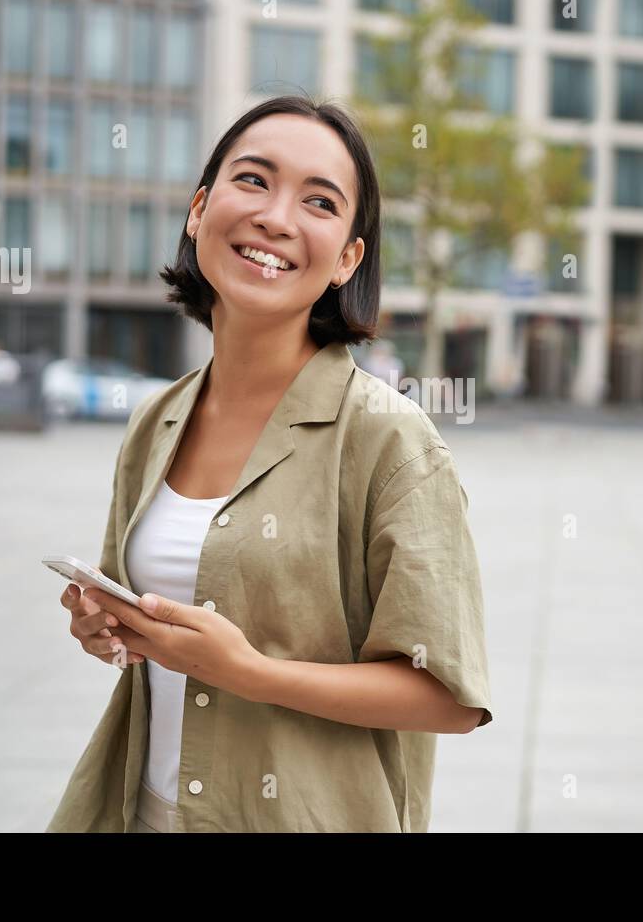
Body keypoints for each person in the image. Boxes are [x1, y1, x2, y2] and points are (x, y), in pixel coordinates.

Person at [47, 95, 494, 833]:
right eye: (253, 180)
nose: (276, 218)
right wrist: (104, 625)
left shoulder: (390, 440)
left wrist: (250, 674)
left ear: (348, 257)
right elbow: (138, 619)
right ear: (199, 210)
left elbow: (449, 696)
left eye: (319, 202)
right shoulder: (155, 423)